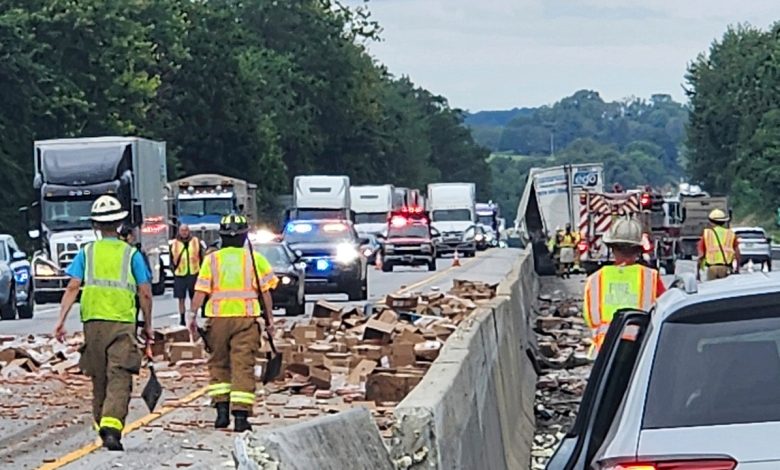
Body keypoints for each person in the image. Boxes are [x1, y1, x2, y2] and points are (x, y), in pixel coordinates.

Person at [53, 195, 153, 451]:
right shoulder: (131, 254)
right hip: (122, 323)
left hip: (93, 324)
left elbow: (73, 286)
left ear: (95, 225)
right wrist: (148, 325)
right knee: (120, 375)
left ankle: (102, 425)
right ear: (120, 223)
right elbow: (144, 291)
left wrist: (61, 320)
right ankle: (111, 426)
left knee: (99, 377)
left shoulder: (86, 252)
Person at [187, 214, 277, 432]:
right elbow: (265, 293)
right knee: (242, 365)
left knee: (218, 364)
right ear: (245, 236)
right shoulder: (255, 259)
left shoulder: (212, 260)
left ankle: (221, 411)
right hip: (246, 320)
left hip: (217, 320)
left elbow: (201, 291)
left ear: (222, 236)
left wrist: (192, 315)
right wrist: (270, 320)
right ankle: (240, 416)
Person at [583, 217, 665, 358]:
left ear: (612, 248)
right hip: (639, 350)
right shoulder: (650, 277)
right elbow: (664, 309)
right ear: (638, 250)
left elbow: (589, 318)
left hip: (604, 353)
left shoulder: (595, 279)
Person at [119, 224, 152, 332]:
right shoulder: (134, 254)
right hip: (131, 296)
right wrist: (148, 323)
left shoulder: (112, 253)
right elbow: (145, 285)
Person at [171, 224, 204, 326]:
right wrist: (173, 269)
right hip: (180, 274)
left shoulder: (196, 241)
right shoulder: (174, 243)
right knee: (181, 299)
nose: (184, 232)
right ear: (179, 231)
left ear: (189, 231)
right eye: (182, 230)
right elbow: (171, 258)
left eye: (186, 230)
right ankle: (182, 319)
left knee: (193, 298)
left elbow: (201, 256)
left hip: (193, 273)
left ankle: (193, 318)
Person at [697, 209, 739, 281]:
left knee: (713, 290)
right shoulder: (731, 234)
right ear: (724, 222)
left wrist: (697, 271)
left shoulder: (707, 234)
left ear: (710, 221)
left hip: (711, 269)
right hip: (726, 268)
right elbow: (737, 254)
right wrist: (737, 268)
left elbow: (701, 255)